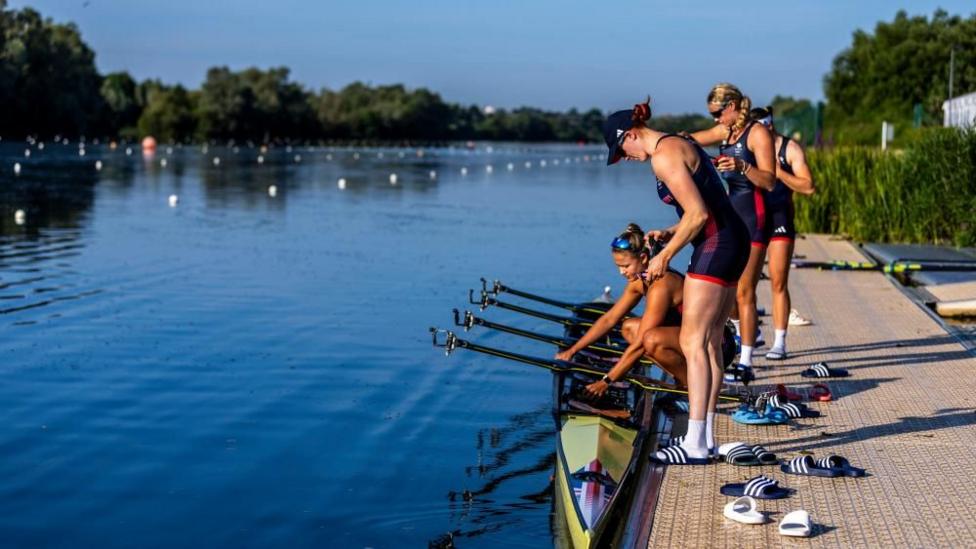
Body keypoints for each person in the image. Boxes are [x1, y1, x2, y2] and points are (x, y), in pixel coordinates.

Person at [603, 99, 749, 464]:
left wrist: (664, 257)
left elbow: (698, 215)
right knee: (711, 342)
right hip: (731, 238)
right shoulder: (677, 143)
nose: (627, 159)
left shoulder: (663, 156)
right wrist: (670, 232)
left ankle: (695, 443)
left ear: (631, 135)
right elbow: (703, 207)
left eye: (623, 151)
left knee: (692, 341)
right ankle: (707, 438)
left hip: (717, 243)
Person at [689, 83, 776, 373]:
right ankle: (745, 337)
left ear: (731, 107)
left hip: (755, 214)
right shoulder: (725, 132)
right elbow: (690, 139)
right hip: (732, 214)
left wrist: (742, 166)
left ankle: (747, 362)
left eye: (717, 113)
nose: (714, 119)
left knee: (744, 291)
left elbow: (769, 181)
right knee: (728, 290)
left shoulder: (758, 133)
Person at [555, 223, 688, 390]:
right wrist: (572, 350)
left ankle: (689, 384)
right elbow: (609, 319)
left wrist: (607, 381)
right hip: (681, 337)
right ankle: (680, 374)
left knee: (649, 339)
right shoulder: (640, 281)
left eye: (625, 266)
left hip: (711, 345)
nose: (621, 272)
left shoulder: (661, 285)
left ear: (644, 258)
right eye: (618, 267)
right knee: (628, 327)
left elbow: (640, 344)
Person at [749, 107, 816, 360]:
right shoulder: (748, 146)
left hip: (779, 218)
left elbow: (808, 187)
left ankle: (780, 342)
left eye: (764, 127)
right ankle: (748, 333)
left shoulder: (790, 149)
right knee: (745, 286)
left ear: (770, 125)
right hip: (753, 218)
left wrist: (779, 173)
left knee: (778, 281)